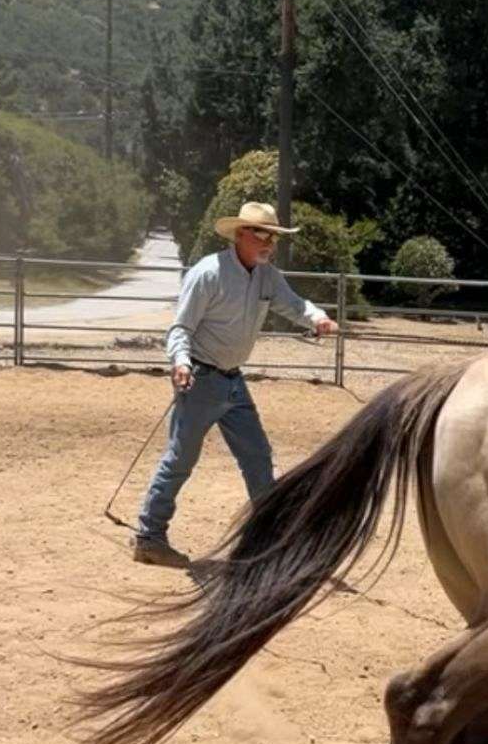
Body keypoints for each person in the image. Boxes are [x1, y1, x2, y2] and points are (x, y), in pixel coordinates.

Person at [133, 200, 336, 566]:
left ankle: (267, 538)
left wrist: (318, 318)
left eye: (273, 236)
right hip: (200, 379)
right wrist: (180, 363)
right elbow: (181, 328)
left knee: (257, 456)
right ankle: (149, 537)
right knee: (181, 459)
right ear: (241, 234)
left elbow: (293, 304)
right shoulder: (208, 273)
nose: (269, 243)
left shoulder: (267, 276)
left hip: (232, 381)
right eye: (263, 235)